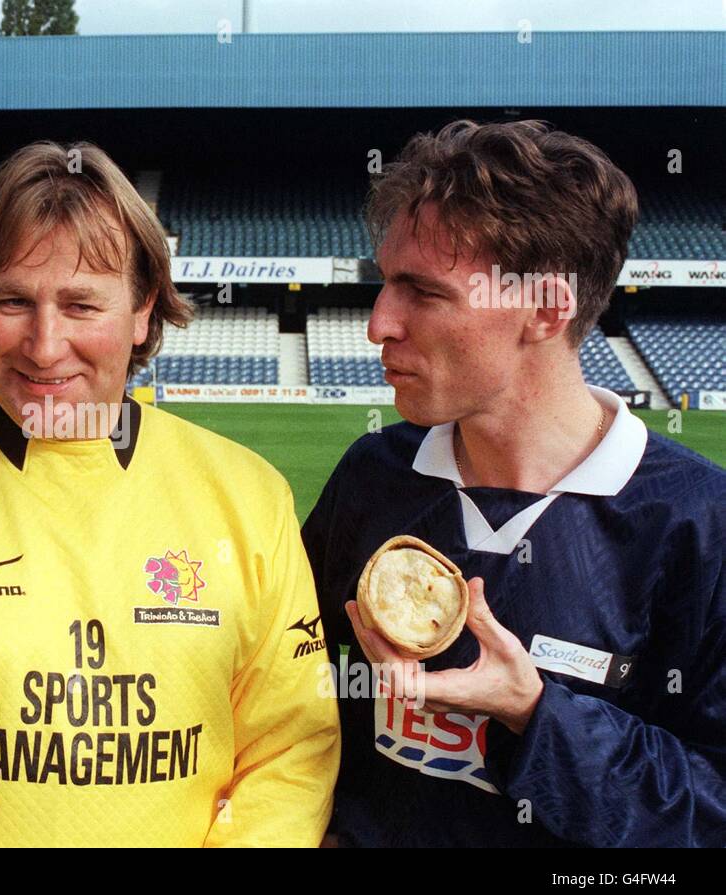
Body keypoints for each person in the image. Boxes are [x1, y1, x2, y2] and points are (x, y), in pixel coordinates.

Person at [0, 141, 340, 847]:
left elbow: (290, 749)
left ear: (143, 311)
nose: (45, 347)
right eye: (13, 301)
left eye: (82, 304)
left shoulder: (250, 498)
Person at [301, 119, 726, 847]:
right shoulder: (375, 476)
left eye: (422, 294)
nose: (377, 324)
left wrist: (535, 713)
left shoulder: (698, 521)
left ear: (546, 308)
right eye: (383, 286)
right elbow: (282, 677)